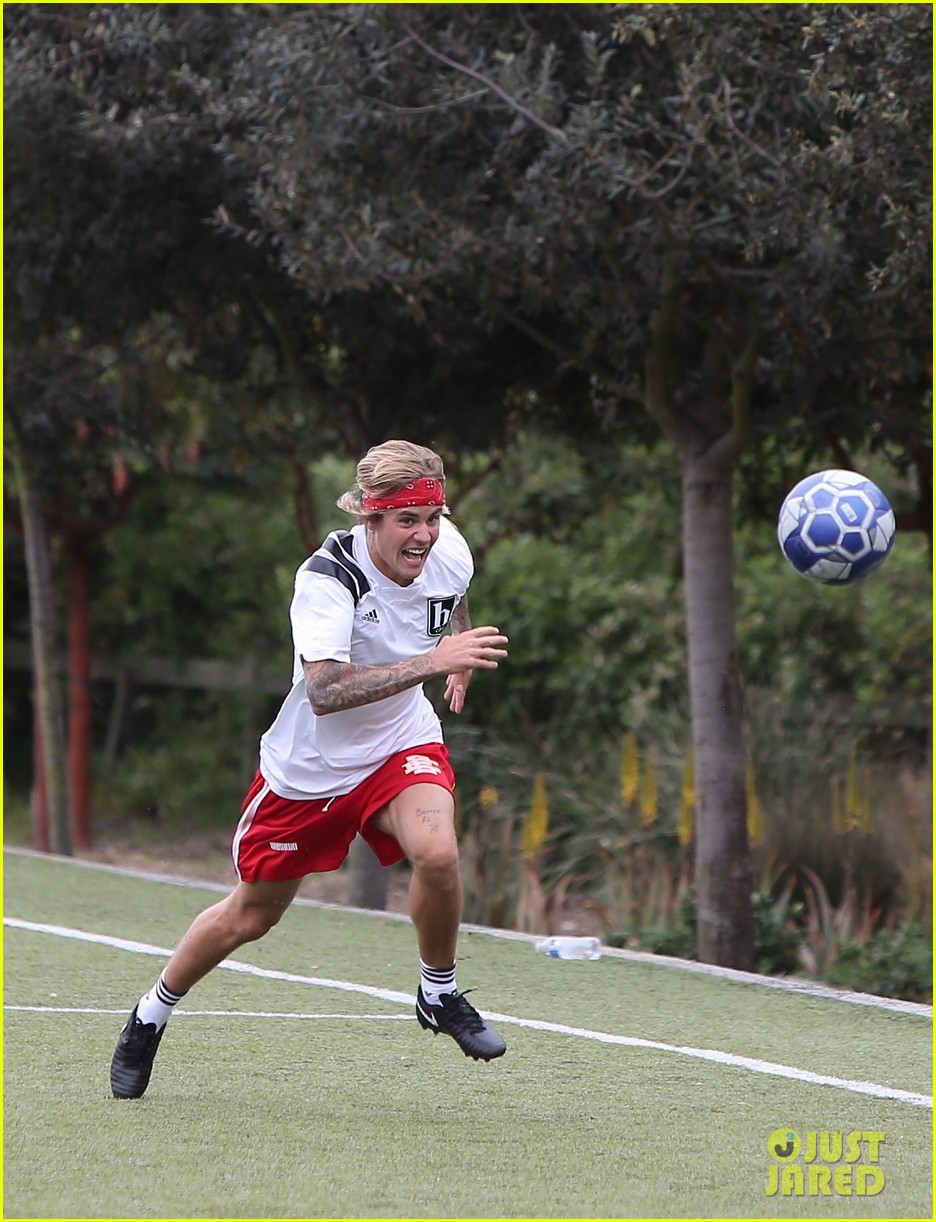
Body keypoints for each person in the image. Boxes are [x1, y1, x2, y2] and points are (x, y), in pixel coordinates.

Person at [110, 440, 510, 1099]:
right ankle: (151, 1014)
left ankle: (438, 992)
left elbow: (453, 597)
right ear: (370, 519)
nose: (424, 535)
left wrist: (458, 651)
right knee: (251, 917)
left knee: (438, 854)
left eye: (433, 518)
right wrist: (433, 662)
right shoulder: (328, 578)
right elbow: (324, 691)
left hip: (401, 742)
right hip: (313, 767)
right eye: (407, 521)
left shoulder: (447, 549)